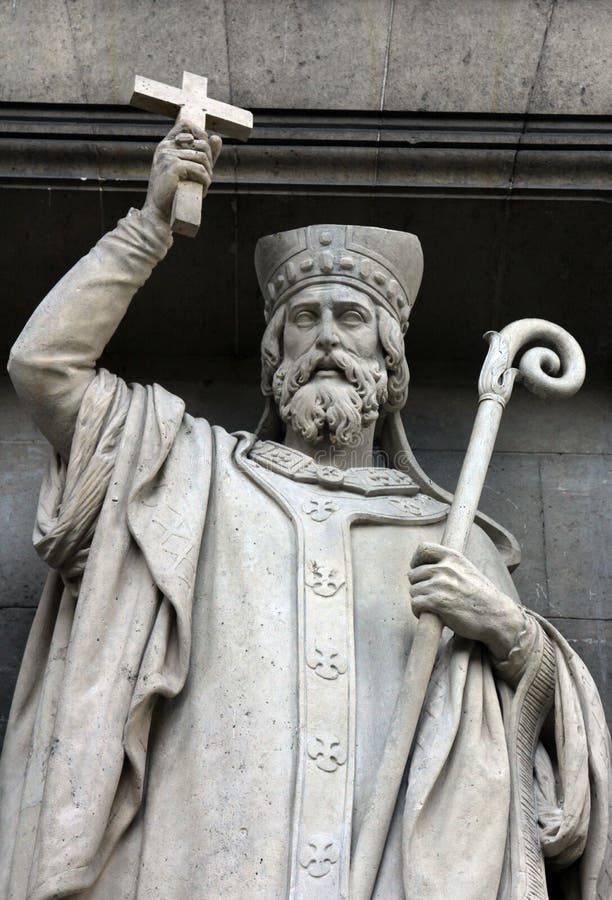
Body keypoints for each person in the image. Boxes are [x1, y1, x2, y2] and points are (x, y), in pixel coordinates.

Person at [0, 121, 609, 900]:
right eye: (304, 318)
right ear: (273, 356)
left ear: (389, 369)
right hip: (205, 862)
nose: (326, 337)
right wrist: (148, 227)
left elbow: (559, 765)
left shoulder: (450, 535)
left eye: (351, 320)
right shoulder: (185, 469)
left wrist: (512, 635)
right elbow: (44, 368)